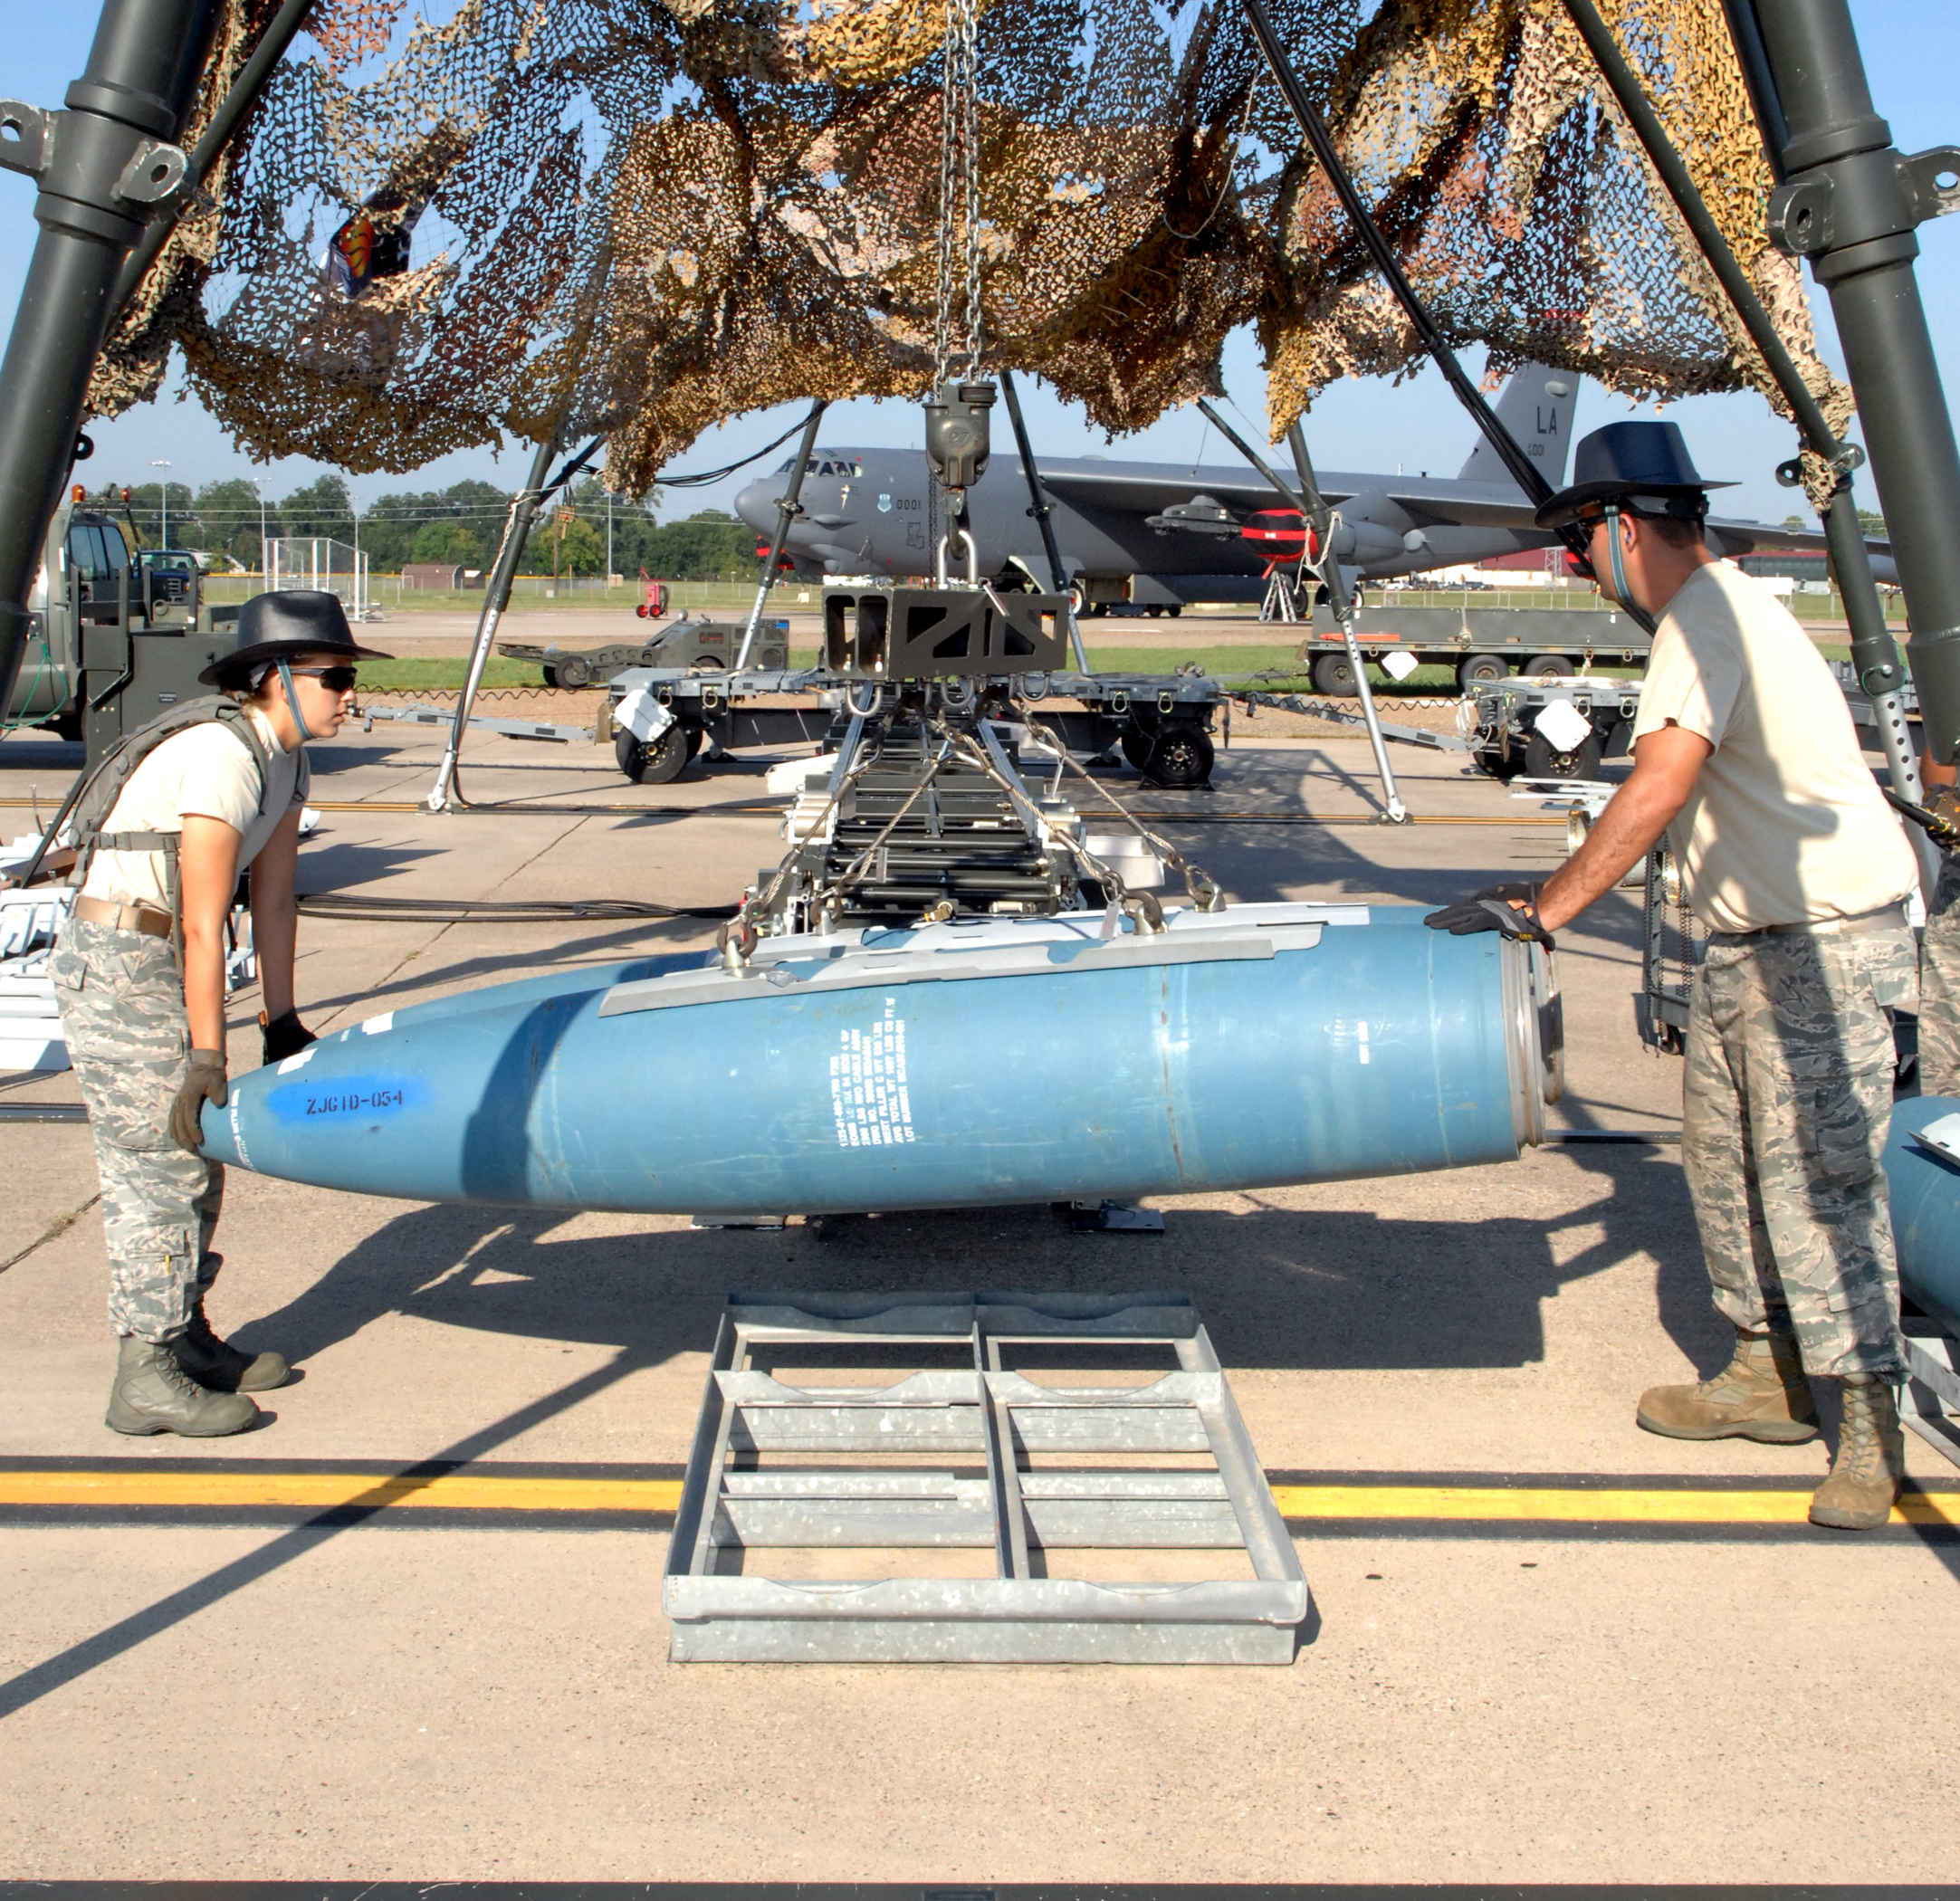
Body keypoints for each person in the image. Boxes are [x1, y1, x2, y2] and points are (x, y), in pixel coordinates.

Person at [1426, 421, 1921, 1531]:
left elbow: (1652, 790)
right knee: (1726, 1164)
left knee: (1818, 1183)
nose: (1573, 567)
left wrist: (1542, 915)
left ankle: (1865, 1427)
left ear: (1620, 527)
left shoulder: (1703, 621)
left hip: (1827, 940)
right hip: (1754, 941)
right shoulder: (1724, 608)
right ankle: (1764, 1373)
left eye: (1576, 542)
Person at [50, 592, 387, 1438]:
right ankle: (145, 1372)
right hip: (126, 962)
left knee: (199, 1157)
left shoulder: (286, 757)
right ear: (274, 677)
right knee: (159, 1167)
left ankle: (187, 1337)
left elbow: (274, 900)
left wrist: (280, 1018)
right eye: (336, 677)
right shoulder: (220, 756)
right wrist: (208, 1052)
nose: (351, 694)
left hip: (165, 961)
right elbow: (205, 920)